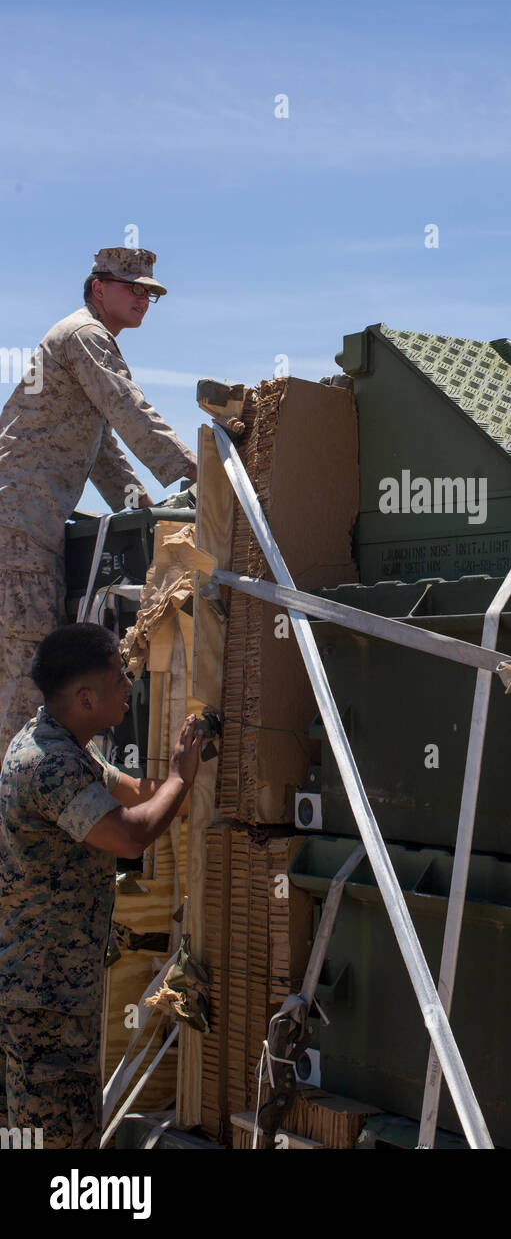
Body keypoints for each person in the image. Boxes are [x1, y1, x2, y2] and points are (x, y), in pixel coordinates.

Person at [0, 622, 202, 1148]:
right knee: (55, 1141)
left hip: (50, 995)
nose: (128, 687)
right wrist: (181, 778)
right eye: (120, 677)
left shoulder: (66, 746)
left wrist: (191, 769)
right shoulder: (49, 764)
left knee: (27, 1137)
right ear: (86, 696)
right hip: (43, 1002)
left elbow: (135, 793)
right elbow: (129, 835)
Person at [0, 247, 198, 764]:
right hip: (17, 534)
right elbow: (129, 407)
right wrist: (201, 471)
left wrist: (153, 514)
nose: (143, 299)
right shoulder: (85, 336)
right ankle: (21, 820)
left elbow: (106, 455)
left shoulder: (76, 345)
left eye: (149, 293)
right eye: (132, 288)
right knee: (29, 679)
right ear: (97, 289)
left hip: (24, 531)